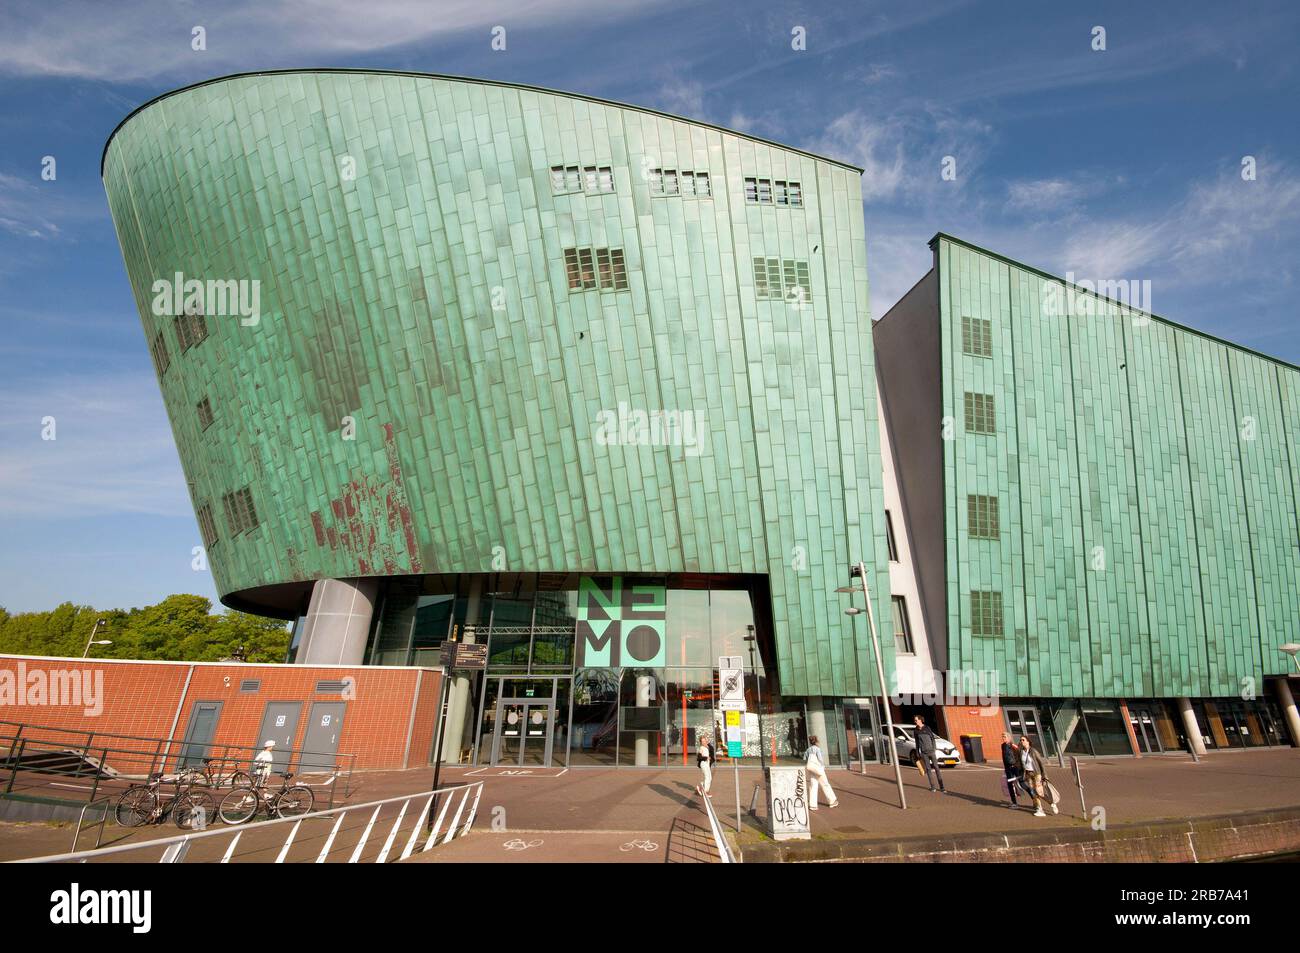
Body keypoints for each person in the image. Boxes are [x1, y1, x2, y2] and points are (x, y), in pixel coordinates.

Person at [1019, 735, 1058, 817]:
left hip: (1036, 774)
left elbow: (1041, 763)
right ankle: (1040, 810)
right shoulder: (1022, 751)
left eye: (1023, 740)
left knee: (1039, 792)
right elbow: (1021, 763)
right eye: (1021, 740)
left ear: (1028, 741)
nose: (1021, 741)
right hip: (1028, 774)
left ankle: (1052, 803)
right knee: (1033, 792)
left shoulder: (1033, 751)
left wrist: (1044, 775)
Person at [805, 734, 839, 809]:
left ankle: (812, 805)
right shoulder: (817, 749)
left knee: (813, 786)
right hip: (818, 769)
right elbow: (820, 759)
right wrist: (822, 766)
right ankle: (832, 801)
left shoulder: (808, 750)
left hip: (811, 769)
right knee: (825, 784)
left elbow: (805, 758)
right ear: (816, 741)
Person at [913, 716, 946, 793]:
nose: (915, 721)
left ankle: (942, 787)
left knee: (937, 768)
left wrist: (934, 748)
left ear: (920, 720)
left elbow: (932, 739)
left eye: (916, 720)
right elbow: (917, 743)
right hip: (924, 753)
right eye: (914, 720)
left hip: (931, 752)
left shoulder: (927, 728)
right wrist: (918, 752)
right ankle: (933, 787)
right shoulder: (916, 731)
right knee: (928, 769)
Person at [999, 732, 1022, 808]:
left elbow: (1019, 757)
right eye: (1002, 737)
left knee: (1022, 784)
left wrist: (1017, 766)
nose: (1003, 738)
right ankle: (1014, 803)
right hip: (1008, 769)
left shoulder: (1013, 746)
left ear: (1009, 738)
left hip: (1015, 767)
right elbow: (1004, 758)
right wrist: (1006, 768)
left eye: (1005, 737)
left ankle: (1034, 799)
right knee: (1010, 785)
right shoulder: (1003, 746)